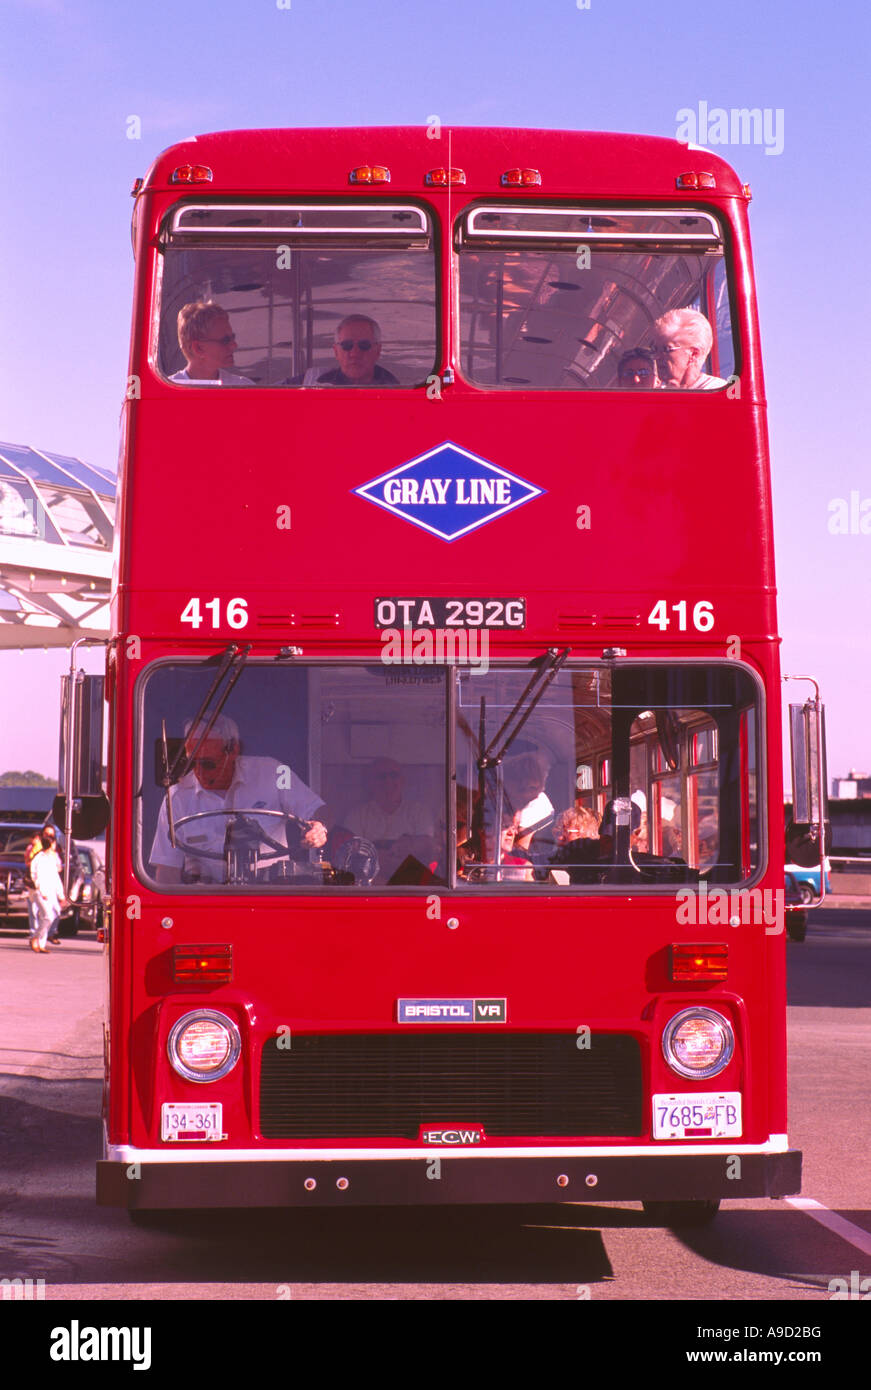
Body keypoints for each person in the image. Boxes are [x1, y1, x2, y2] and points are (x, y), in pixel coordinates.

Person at [149, 714, 327, 883]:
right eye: (192, 762)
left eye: (208, 763)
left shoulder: (276, 772)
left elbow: (317, 808)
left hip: (271, 899)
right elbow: (167, 870)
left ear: (233, 750)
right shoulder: (175, 798)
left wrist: (319, 827)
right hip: (207, 904)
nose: (198, 772)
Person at [170, 302, 253, 385]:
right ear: (198, 348)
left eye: (232, 337)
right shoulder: (168, 392)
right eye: (225, 340)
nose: (234, 345)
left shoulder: (244, 388)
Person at [651, 309, 727, 390]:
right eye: (655, 350)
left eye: (666, 349)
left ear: (694, 354)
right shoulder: (660, 394)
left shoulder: (716, 391)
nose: (657, 356)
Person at [316, 315, 399, 386]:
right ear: (336, 351)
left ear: (377, 351)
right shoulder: (317, 388)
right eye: (347, 345)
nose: (354, 354)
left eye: (364, 345)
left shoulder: (395, 392)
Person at [28, 826, 67, 953]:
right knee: (47, 916)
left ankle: (41, 943)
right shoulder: (39, 858)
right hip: (41, 893)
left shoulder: (52, 858)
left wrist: (61, 895)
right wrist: (42, 891)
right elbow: (35, 876)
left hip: (51, 893)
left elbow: (56, 878)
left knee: (53, 914)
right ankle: (35, 938)